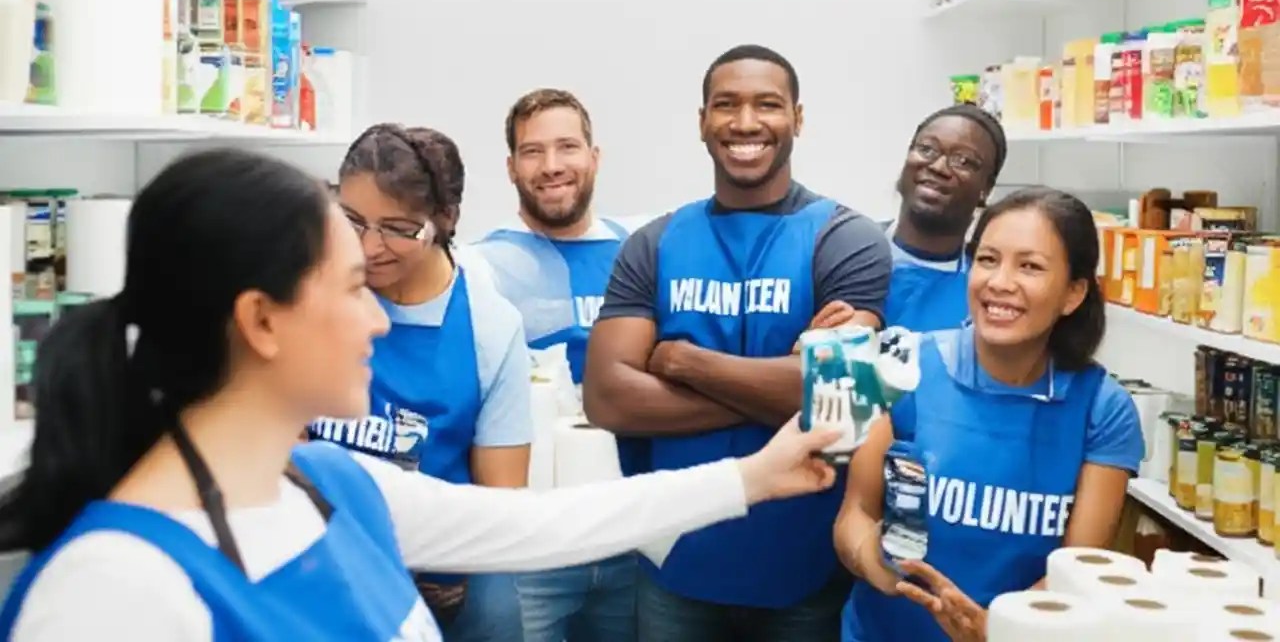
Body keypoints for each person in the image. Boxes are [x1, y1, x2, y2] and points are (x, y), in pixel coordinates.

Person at [0, 148, 847, 641]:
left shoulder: (326, 481)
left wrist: (757, 476)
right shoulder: (112, 586)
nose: (376, 317)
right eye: (346, 287)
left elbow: (542, 524)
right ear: (260, 321)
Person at [583, 44, 893, 641]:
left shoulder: (846, 238)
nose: (745, 123)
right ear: (702, 121)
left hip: (805, 566)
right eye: (726, 105)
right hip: (677, 560)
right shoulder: (655, 242)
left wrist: (682, 360)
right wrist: (788, 388)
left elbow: (844, 408)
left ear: (798, 118)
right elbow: (608, 400)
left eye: (767, 105)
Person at [834, 186, 1145, 642]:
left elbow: (1078, 569)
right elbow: (855, 513)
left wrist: (1000, 631)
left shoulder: (1103, 408)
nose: (1000, 282)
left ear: (1074, 293)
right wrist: (874, 562)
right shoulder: (898, 365)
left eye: (1031, 266)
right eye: (986, 259)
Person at [309, 124, 530, 639]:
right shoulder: (308, 293)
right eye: (353, 220)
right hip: (328, 549)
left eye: (398, 228)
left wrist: (446, 556)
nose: (369, 247)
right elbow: (278, 443)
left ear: (445, 220)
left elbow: (502, 500)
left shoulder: (490, 328)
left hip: (449, 562)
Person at [466, 89, 642, 642]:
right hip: (530, 550)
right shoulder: (477, 266)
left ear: (595, 155)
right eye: (532, 151)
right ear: (511, 167)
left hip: (629, 536)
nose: (552, 167)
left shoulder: (638, 253)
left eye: (567, 147)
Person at [884, 104, 1007, 332]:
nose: (939, 167)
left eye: (964, 161)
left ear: (986, 189)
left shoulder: (987, 292)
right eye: (927, 149)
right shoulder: (843, 252)